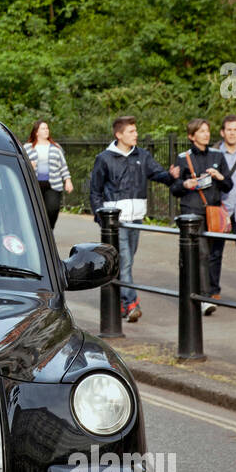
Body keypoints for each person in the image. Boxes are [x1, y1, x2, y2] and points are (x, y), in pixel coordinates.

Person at [89, 116, 180, 322]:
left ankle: (120, 303)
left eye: (135, 131)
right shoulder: (104, 158)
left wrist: (171, 175)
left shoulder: (143, 155)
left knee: (125, 262)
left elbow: (158, 174)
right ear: (119, 134)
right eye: (131, 131)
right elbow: (95, 191)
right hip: (116, 221)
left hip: (136, 218)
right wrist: (101, 218)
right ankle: (131, 303)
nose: (136, 134)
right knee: (126, 262)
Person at [171, 118, 232, 315]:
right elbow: (174, 188)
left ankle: (195, 290)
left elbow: (228, 185)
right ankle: (205, 298)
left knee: (210, 254)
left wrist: (219, 177)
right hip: (192, 210)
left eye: (207, 130)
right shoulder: (183, 158)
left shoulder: (217, 155)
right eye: (201, 131)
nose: (206, 134)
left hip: (212, 212)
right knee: (202, 253)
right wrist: (185, 184)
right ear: (192, 136)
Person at [208, 114, 236, 299]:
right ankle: (213, 291)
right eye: (229, 129)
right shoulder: (213, 154)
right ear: (222, 132)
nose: (233, 133)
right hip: (220, 209)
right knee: (215, 253)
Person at [23, 120, 73, 229]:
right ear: (36, 132)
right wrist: (29, 165)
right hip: (34, 184)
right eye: (43, 128)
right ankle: (38, 231)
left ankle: (49, 230)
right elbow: (21, 164)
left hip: (53, 184)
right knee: (35, 210)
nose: (46, 130)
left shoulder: (56, 147)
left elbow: (63, 165)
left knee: (53, 209)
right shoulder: (27, 147)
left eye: (47, 128)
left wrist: (68, 180)